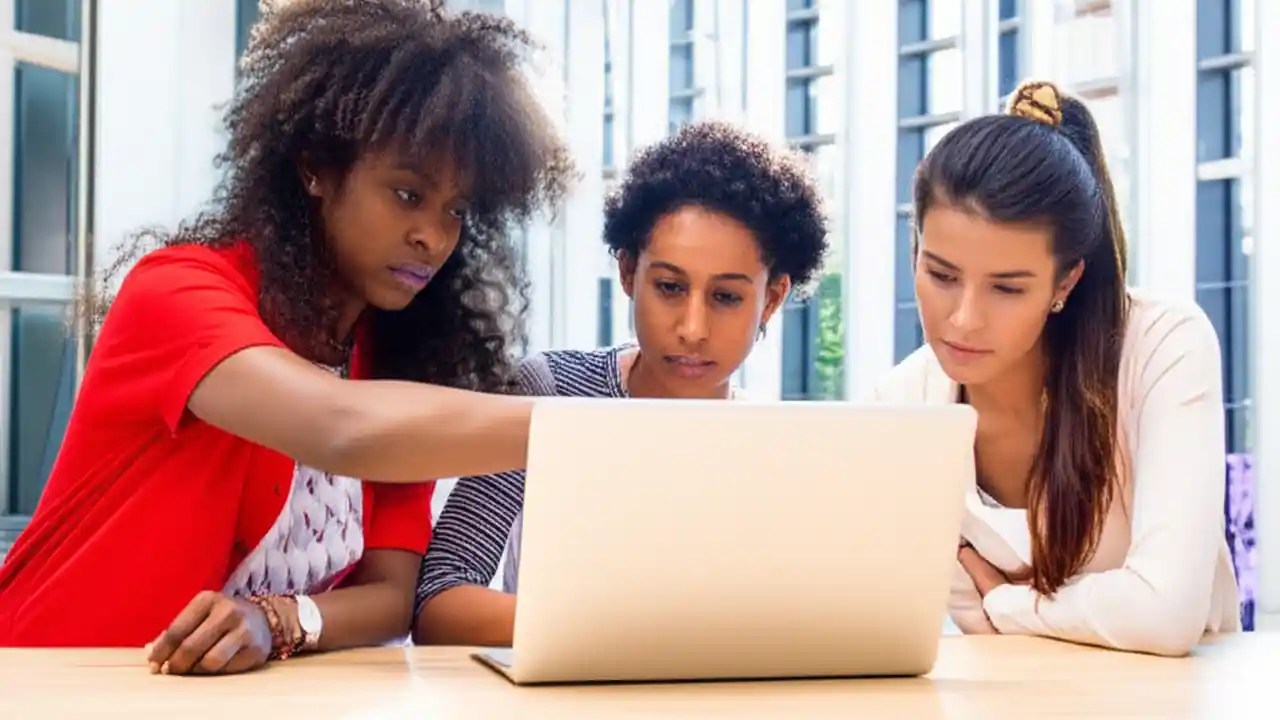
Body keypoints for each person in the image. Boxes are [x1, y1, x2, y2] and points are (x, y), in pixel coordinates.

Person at [0, 0, 573, 674]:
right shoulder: (177, 294)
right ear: (316, 169)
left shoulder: (390, 362)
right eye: (408, 195)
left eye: (455, 210)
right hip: (48, 680)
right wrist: (586, 428)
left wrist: (283, 618)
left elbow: (392, 594)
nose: (434, 235)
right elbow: (334, 425)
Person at [412, 120, 829, 647]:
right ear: (629, 273)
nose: (693, 329)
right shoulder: (549, 392)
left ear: (771, 299)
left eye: (726, 297)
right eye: (670, 287)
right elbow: (438, 604)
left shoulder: (780, 450)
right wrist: (636, 627)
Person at [873, 80, 1239, 656]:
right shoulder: (902, 406)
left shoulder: (1164, 344)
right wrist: (1086, 609)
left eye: (1007, 288)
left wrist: (1013, 603)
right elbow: (992, 643)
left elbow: (1166, 615)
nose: (964, 320)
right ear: (915, 249)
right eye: (941, 275)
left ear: (1064, 282)